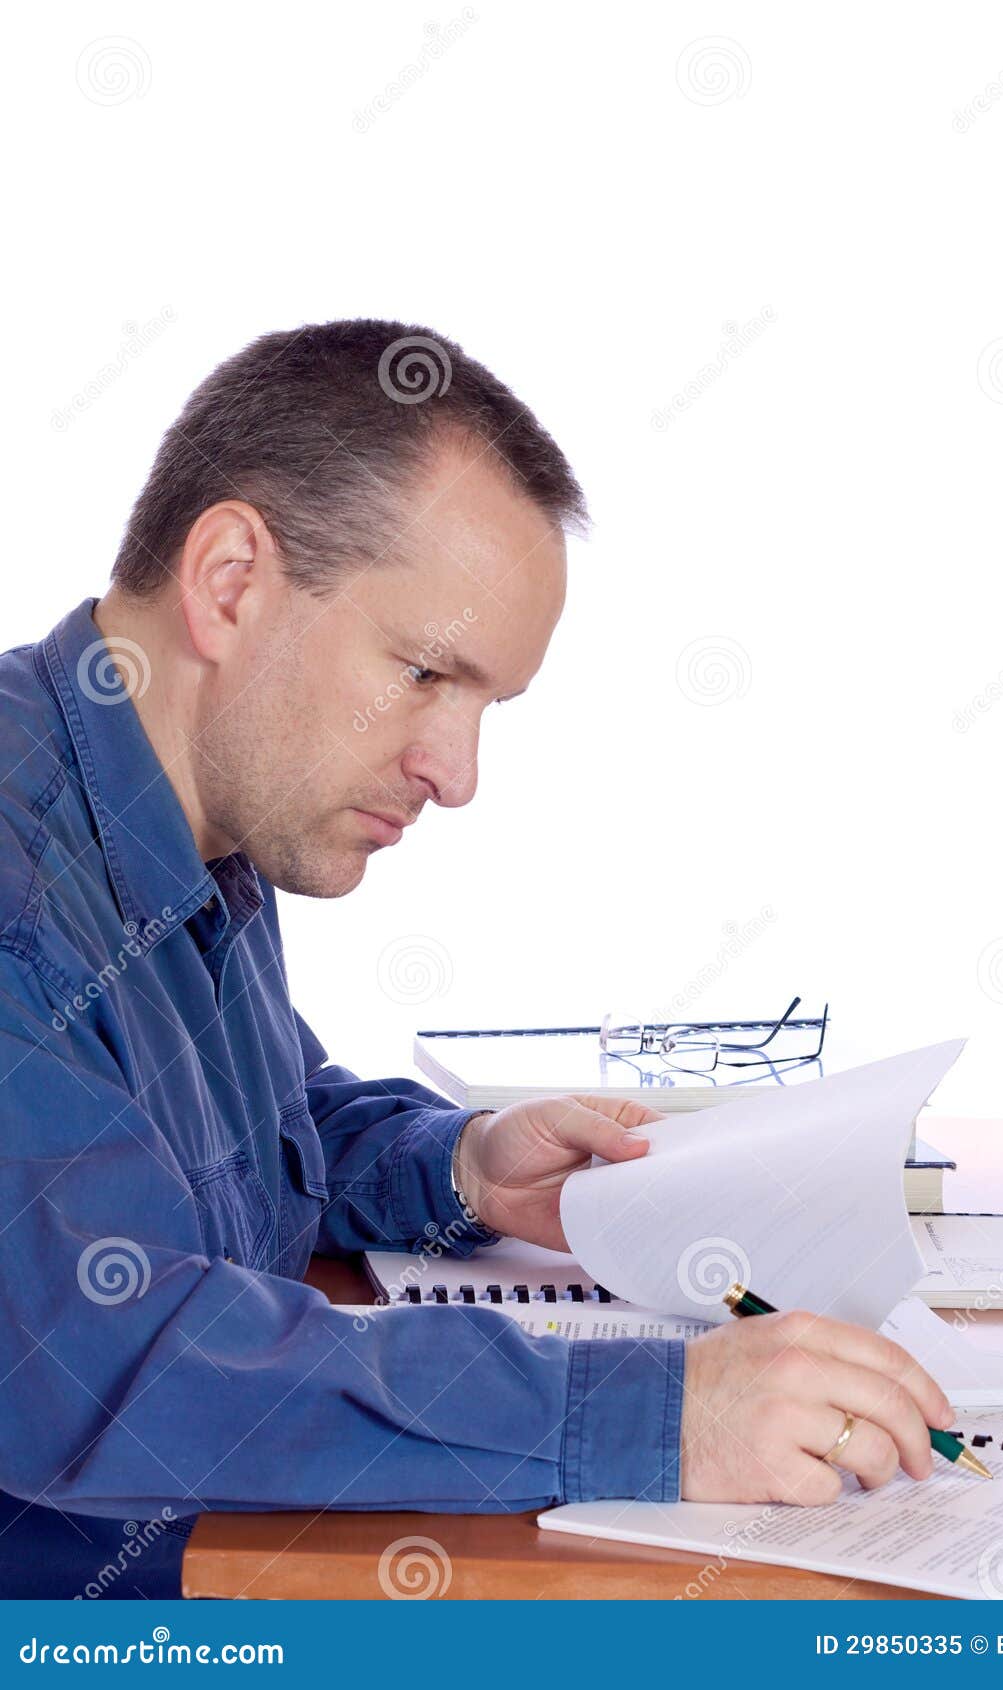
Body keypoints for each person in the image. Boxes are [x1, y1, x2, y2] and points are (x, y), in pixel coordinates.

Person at [0, 320, 953, 1598]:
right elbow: (93, 1357)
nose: (454, 773)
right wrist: (655, 1412)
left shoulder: (184, 816)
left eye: (482, 704)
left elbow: (246, 1135)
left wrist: (455, 1168)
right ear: (229, 581)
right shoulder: (20, 878)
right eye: (422, 672)